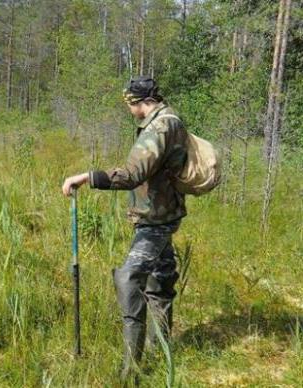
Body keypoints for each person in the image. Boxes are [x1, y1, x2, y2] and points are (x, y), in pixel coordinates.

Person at [61, 76, 188, 384]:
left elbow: (131, 175)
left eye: (129, 104)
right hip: (165, 212)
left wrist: (87, 177)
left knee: (130, 278)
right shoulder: (171, 119)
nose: (129, 110)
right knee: (160, 280)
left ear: (137, 102)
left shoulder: (158, 128)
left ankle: (131, 369)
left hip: (156, 219)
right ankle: (160, 347)